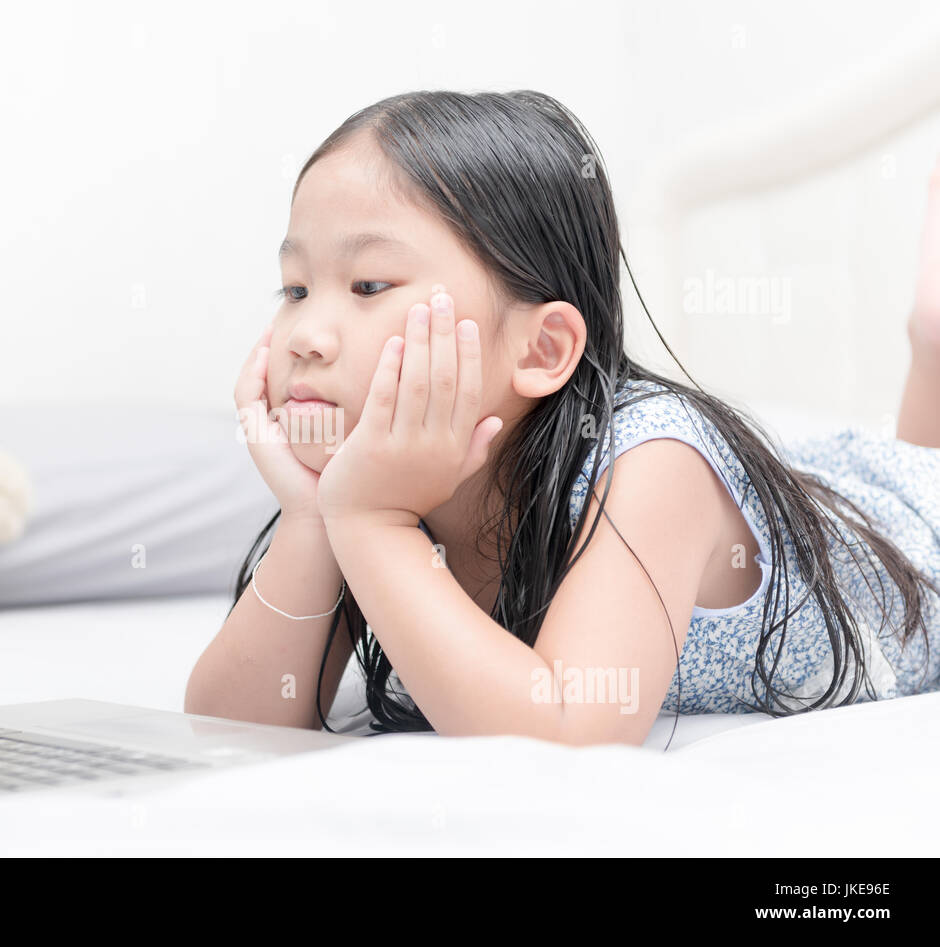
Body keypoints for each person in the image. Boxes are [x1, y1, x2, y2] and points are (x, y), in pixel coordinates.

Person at [184, 89, 940, 748]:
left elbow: (569, 732)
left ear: (542, 349)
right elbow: (232, 725)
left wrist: (372, 525)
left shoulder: (652, 464)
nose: (306, 336)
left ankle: (931, 338)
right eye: (294, 289)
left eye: (368, 283)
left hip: (915, 543)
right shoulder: (376, 488)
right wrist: (318, 519)